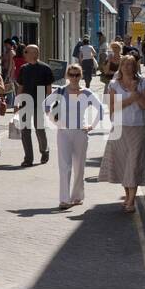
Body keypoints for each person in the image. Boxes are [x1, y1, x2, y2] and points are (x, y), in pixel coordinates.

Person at [43, 64, 104, 209]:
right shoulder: (61, 91)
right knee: (65, 166)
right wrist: (53, 119)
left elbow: (101, 109)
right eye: (71, 74)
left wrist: (91, 126)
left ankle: (77, 196)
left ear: (81, 76)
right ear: (67, 76)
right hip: (63, 132)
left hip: (81, 133)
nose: (74, 77)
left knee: (79, 166)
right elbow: (45, 105)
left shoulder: (87, 92)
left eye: (77, 75)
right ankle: (64, 199)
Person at [99, 55, 145, 213]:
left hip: (138, 127)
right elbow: (113, 107)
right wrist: (131, 98)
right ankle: (128, 194)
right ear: (120, 67)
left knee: (134, 163)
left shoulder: (143, 83)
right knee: (123, 164)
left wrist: (135, 91)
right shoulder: (113, 84)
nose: (128, 67)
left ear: (135, 67)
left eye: (131, 65)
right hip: (119, 127)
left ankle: (131, 200)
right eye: (125, 65)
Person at [15, 44, 54, 167]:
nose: (25, 54)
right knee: (25, 131)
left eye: (27, 52)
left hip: (39, 102)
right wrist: (16, 102)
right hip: (25, 103)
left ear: (35, 53)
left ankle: (44, 150)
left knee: (39, 129)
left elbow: (49, 88)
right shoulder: (23, 69)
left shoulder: (45, 68)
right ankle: (28, 158)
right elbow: (20, 86)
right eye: (26, 52)